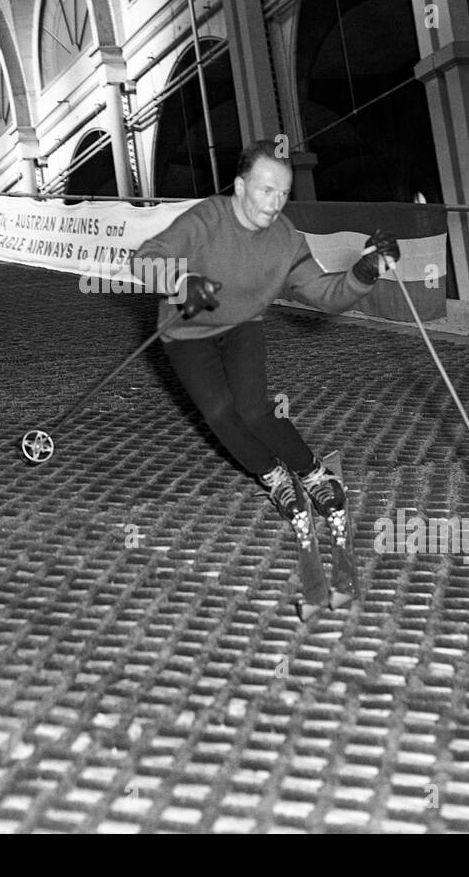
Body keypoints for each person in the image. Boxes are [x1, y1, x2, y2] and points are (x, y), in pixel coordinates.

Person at [134, 139, 400, 621]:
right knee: (220, 412)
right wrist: (178, 282)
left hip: (241, 326)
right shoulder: (207, 220)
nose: (274, 203)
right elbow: (144, 259)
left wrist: (366, 269)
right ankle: (272, 474)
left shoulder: (286, 240)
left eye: (283, 193)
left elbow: (328, 295)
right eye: (265, 190)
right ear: (240, 187)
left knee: (256, 409)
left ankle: (312, 471)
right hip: (185, 331)